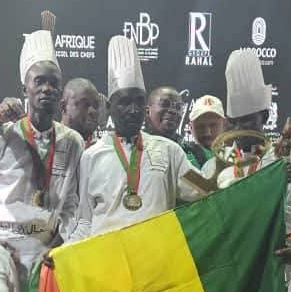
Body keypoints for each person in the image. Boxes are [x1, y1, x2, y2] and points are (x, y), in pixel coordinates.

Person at [0, 28, 84, 267]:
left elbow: (71, 203)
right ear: (25, 89)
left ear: (60, 94)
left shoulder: (73, 142)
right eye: (39, 81)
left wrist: (62, 242)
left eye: (53, 83)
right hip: (1, 250)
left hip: (50, 255)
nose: (46, 88)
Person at [70, 35, 200, 240]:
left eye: (139, 102)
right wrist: (62, 253)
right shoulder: (91, 156)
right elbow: (85, 221)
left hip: (156, 258)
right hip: (107, 260)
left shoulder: (170, 151)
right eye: (125, 102)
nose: (133, 110)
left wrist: (231, 175)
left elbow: (204, 192)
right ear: (109, 107)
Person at [201, 49, 291, 232]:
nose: (239, 130)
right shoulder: (213, 167)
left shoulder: (287, 162)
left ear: (264, 116)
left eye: (246, 120)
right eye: (233, 122)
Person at [184, 94, 225, 169]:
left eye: (213, 125)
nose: (207, 133)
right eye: (200, 126)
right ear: (190, 128)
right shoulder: (182, 159)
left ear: (224, 124)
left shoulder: (236, 158)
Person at [60, 77, 101, 147]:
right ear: (63, 106)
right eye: (85, 104)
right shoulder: (49, 144)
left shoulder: (104, 150)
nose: (92, 111)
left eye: (96, 105)